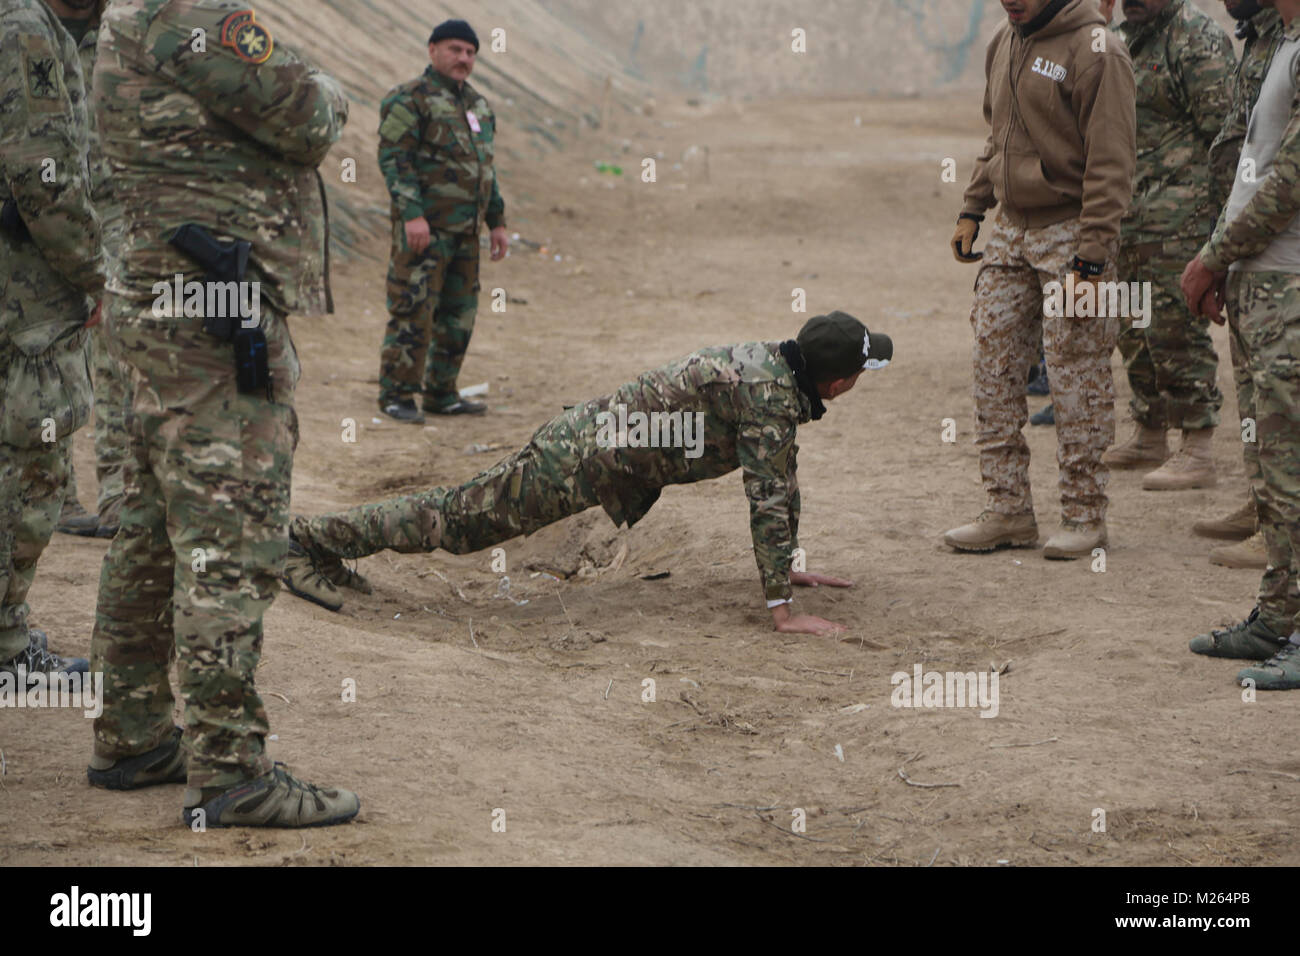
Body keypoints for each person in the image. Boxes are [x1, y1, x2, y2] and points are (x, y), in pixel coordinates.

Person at [86, 0, 360, 825]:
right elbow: (310, 114)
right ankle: (230, 770)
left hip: (160, 300)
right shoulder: (188, 10)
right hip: (210, 312)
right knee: (227, 539)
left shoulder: (137, 12)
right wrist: (326, 85)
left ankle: (133, 736)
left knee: (148, 527)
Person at [284, 312, 891, 637]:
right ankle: (308, 539)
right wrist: (782, 609)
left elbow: (781, 478)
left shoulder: (776, 373)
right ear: (837, 382)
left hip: (590, 445)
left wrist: (785, 567)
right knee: (461, 520)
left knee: (462, 516)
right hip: (576, 458)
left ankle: (326, 544)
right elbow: (766, 497)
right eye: (861, 372)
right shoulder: (770, 400)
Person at [945, 0, 1137, 559]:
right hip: (1011, 230)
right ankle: (1007, 510)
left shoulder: (1098, 52)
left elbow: (1112, 163)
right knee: (994, 365)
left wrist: (1092, 260)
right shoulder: (1005, 40)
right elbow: (998, 137)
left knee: (1077, 375)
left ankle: (1084, 515)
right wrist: (973, 207)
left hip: (1072, 231)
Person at [1181, 0, 1300, 691]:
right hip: (1261, 282)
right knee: (1270, 466)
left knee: (1294, 464)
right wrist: (1227, 262)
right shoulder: (1282, 43)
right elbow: (1252, 163)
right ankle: (1279, 615)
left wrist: (1212, 256)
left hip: (1288, 286)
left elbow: (1289, 180)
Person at [0, 0, 104, 681]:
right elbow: (42, 173)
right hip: (28, 302)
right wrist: (96, 272)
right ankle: (5, 651)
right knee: (29, 473)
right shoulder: (25, 27)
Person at [1101, 0, 1233, 494]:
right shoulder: (1118, 37)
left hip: (1181, 218)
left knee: (1175, 328)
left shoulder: (1194, 37)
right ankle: (1150, 430)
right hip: (1129, 215)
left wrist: (1220, 229)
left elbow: (1223, 136)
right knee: (1133, 327)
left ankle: (1197, 445)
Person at [376, 18, 508, 423]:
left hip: (466, 233)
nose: (463, 58)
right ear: (433, 50)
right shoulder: (408, 99)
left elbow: (485, 167)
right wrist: (412, 215)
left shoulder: (479, 106)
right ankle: (397, 395)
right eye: (455, 49)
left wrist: (496, 220)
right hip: (425, 231)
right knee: (414, 310)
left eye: (470, 53)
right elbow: (394, 160)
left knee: (459, 315)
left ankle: (441, 393)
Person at [1193, 0, 1286, 570]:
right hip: (1250, 246)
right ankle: (1263, 507)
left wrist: (1218, 251)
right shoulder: (1264, 38)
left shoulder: (1286, 41)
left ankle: (1279, 528)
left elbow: (1286, 171)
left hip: (1279, 253)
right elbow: (1246, 142)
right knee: (1259, 400)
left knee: (1284, 405)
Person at [52, 0, 130, 541]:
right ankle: (54, 492)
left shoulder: (126, 32)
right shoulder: (23, 26)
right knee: (48, 347)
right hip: (45, 209)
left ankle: (120, 496)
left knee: (116, 345)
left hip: (119, 210)